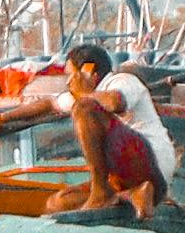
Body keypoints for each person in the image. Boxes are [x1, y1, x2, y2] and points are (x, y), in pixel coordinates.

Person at [57, 42, 171, 218]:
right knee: (60, 202)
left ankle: (102, 192)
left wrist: (84, 94)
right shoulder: (86, 95)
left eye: (70, 75)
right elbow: (48, 105)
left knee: (84, 108)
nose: (68, 81)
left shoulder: (123, 80)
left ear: (89, 72)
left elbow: (115, 103)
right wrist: (0, 120)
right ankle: (130, 194)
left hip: (150, 165)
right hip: (122, 178)